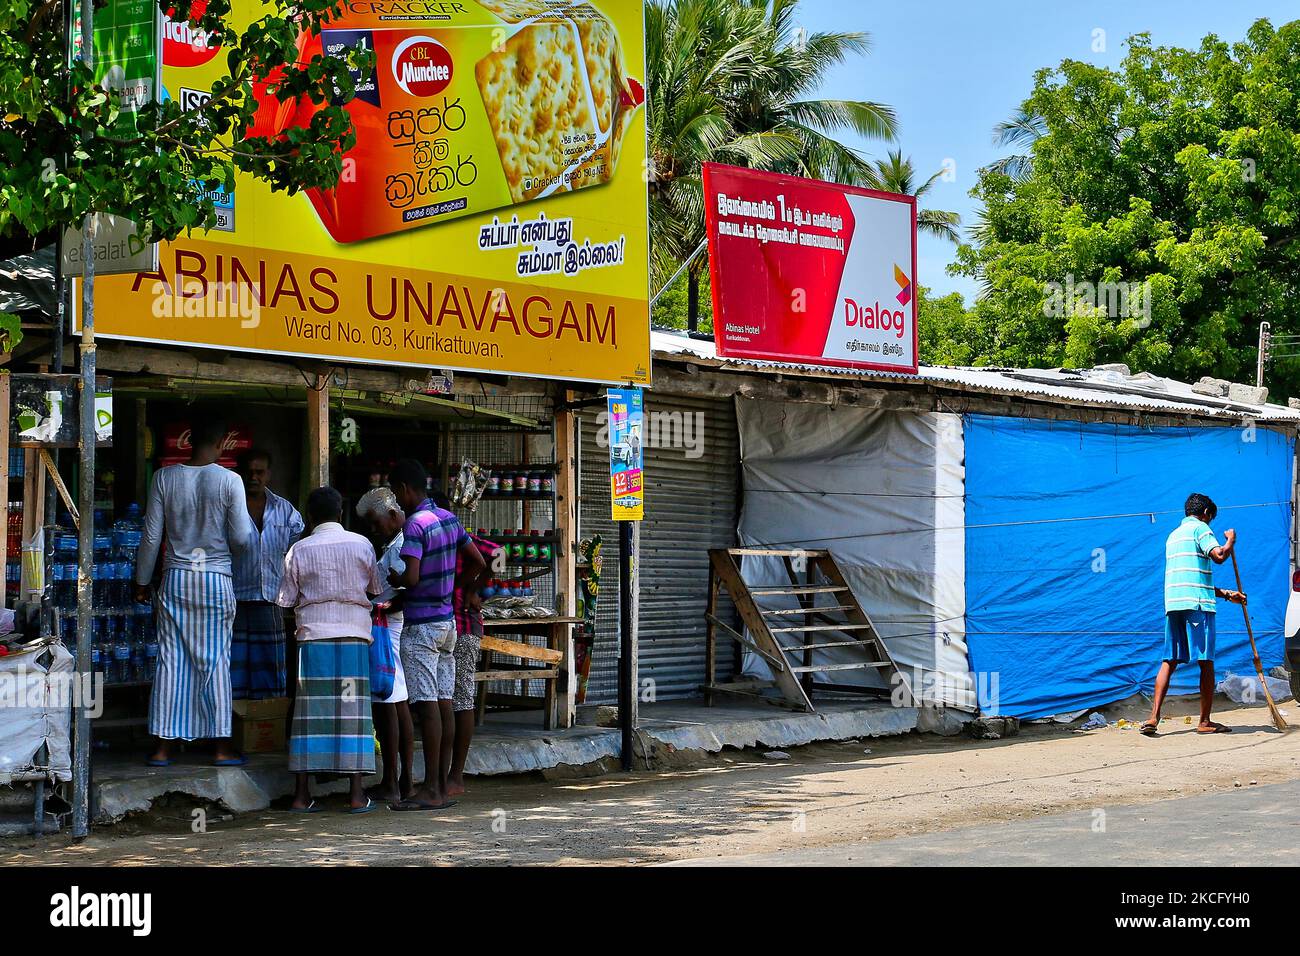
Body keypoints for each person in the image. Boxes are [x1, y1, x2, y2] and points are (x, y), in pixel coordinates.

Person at [135, 414, 254, 767]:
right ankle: (220, 747)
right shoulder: (230, 481)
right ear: (221, 444)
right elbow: (243, 538)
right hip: (215, 578)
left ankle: (162, 747)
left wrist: (142, 582)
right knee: (216, 660)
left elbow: (152, 537)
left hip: (176, 578)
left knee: (172, 661)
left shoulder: (164, 478)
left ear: (190, 442)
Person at [277, 486, 383, 813]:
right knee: (353, 714)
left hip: (313, 636)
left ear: (309, 517)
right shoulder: (361, 544)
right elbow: (375, 589)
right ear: (341, 514)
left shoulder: (299, 550)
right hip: (353, 635)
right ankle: (355, 795)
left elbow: (285, 599)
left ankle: (301, 795)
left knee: (310, 714)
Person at [386, 459, 485, 811]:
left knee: (428, 706)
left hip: (422, 625)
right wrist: (454, 587)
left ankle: (429, 787)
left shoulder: (415, 525)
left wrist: (395, 581)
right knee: (445, 703)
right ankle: (441, 785)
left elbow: (410, 578)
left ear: (402, 490)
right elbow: (479, 562)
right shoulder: (448, 518)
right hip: (448, 623)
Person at [1142, 493, 1247, 737]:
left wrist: (1227, 594)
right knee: (1206, 662)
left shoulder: (1174, 536)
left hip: (1175, 603)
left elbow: (1190, 579)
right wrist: (1230, 541)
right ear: (1207, 513)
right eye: (1211, 518)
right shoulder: (1201, 529)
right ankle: (1205, 721)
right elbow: (1219, 557)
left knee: (1169, 660)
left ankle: (1153, 717)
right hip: (1198, 606)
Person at [431, 490, 500, 798]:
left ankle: (455, 775)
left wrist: (475, 589)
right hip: (439, 627)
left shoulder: (460, 539)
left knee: (460, 699)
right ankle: (440, 775)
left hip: (463, 625)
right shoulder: (430, 541)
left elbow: (497, 553)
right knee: (442, 700)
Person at [355, 487, 415, 805]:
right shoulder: (395, 542)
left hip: (390, 627)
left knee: (387, 701)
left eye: (376, 524)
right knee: (398, 702)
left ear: (392, 515)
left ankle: (392, 781)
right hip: (388, 624)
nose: (375, 530)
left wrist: (385, 607)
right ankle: (401, 780)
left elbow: (408, 587)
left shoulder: (403, 544)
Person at [231, 448, 304, 700]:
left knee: (271, 673)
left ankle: (267, 730)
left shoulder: (286, 511)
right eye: (249, 472)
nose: (254, 477)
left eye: (259, 472)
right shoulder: (228, 507)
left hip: (271, 601)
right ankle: (234, 732)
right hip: (234, 601)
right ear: (239, 473)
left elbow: (297, 551)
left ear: (269, 474)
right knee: (233, 672)